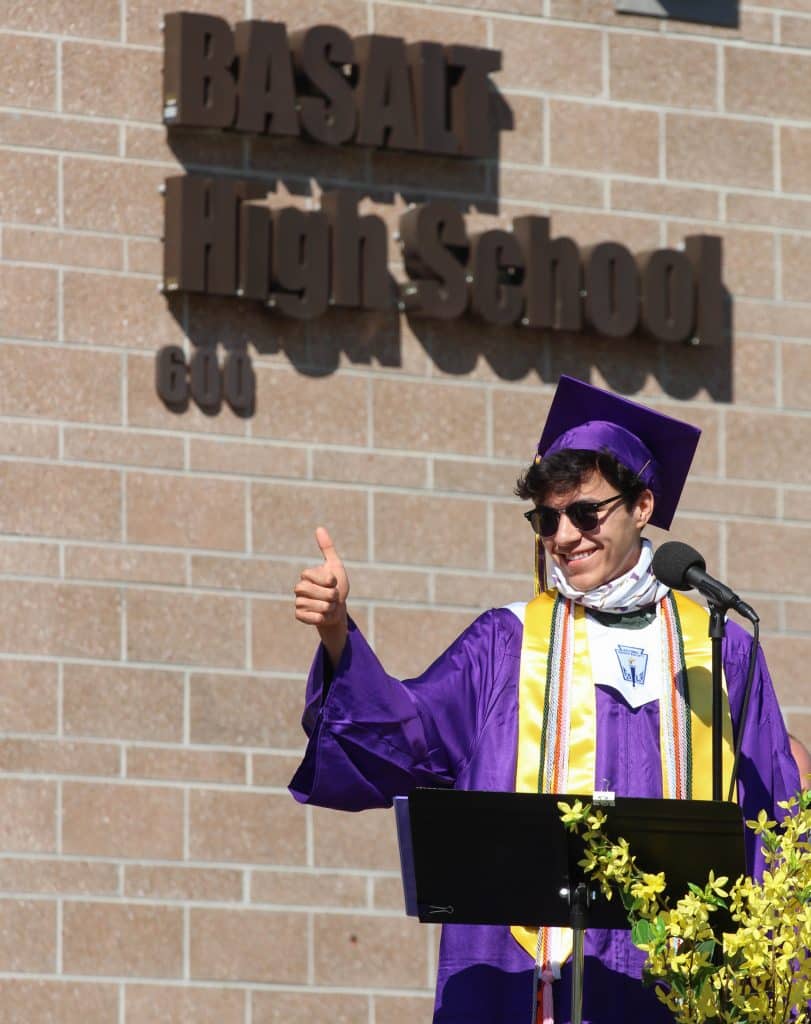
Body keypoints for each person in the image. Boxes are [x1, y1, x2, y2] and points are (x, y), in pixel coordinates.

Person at [289, 375, 799, 1024]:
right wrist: (337, 634)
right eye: (547, 519)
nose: (564, 536)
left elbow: (772, 826)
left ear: (642, 506)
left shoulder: (721, 650)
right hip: (530, 983)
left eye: (584, 513)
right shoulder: (506, 643)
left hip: (676, 987)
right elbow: (402, 735)